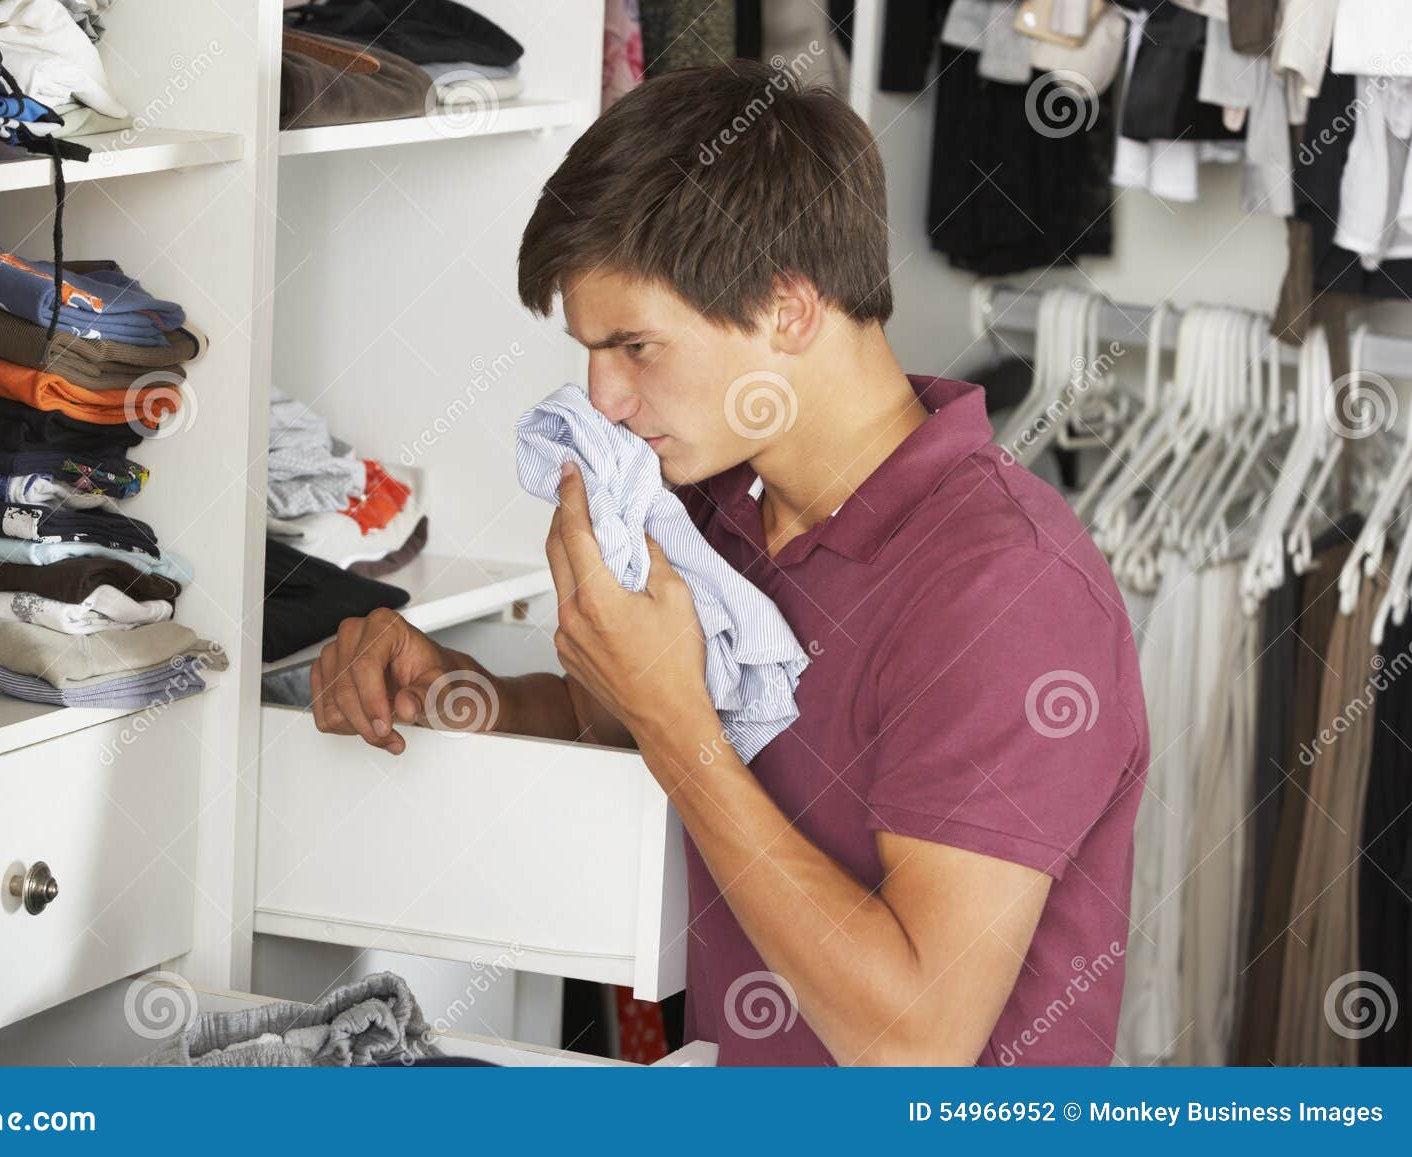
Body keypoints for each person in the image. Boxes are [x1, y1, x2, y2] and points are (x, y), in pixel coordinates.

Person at [309, 63, 1148, 1066]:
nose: (602, 398)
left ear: (788, 310)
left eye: (635, 347)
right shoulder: (710, 508)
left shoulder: (1005, 591)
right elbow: (625, 712)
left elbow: (913, 1043)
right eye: (589, 353)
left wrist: (676, 728)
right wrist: (459, 690)